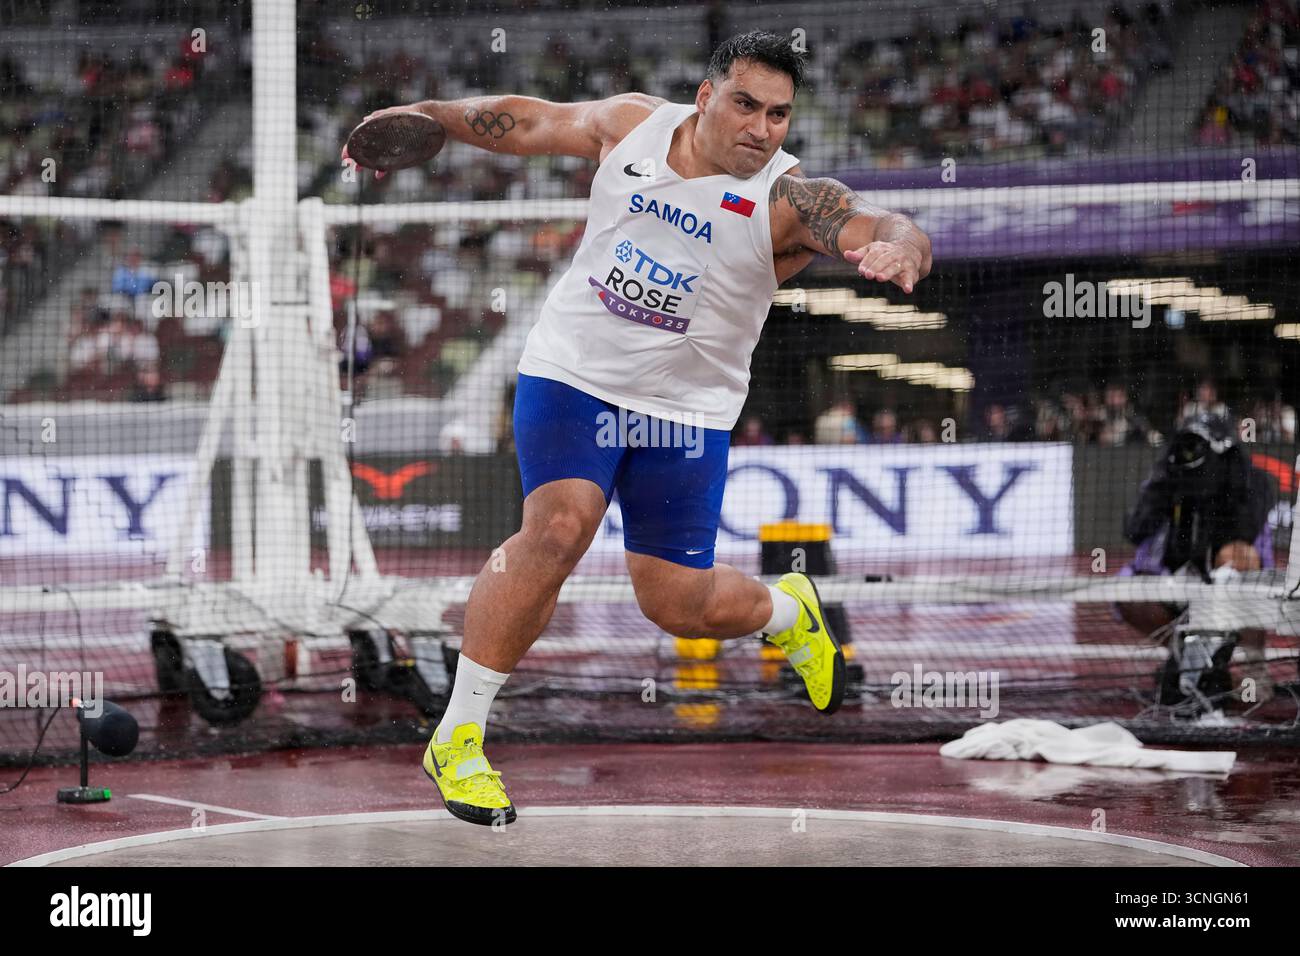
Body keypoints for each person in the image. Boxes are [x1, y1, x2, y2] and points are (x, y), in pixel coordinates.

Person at [347, 31, 931, 826]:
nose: (762, 128)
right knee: (558, 528)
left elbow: (878, 218)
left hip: (687, 411)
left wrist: (899, 246)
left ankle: (791, 611)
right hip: (571, 375)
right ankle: (459, 737)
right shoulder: (633, 127)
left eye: (779, 114)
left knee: (678, 605)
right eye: (746, 104)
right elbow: (525, 121)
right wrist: (431, 115)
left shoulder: (789, 201)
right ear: (705, 96)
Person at [1117, 412, 1276, 708]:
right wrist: (1164, 487)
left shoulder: (1249, 480)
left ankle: (1255, 666)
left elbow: (1241, 535)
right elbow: (1136, 530)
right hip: (1184, 578)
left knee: (1238, 560)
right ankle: (1185, 657)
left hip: (1236, 588)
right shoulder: (1172, 476)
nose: (1192, 454)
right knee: (1126, 589)